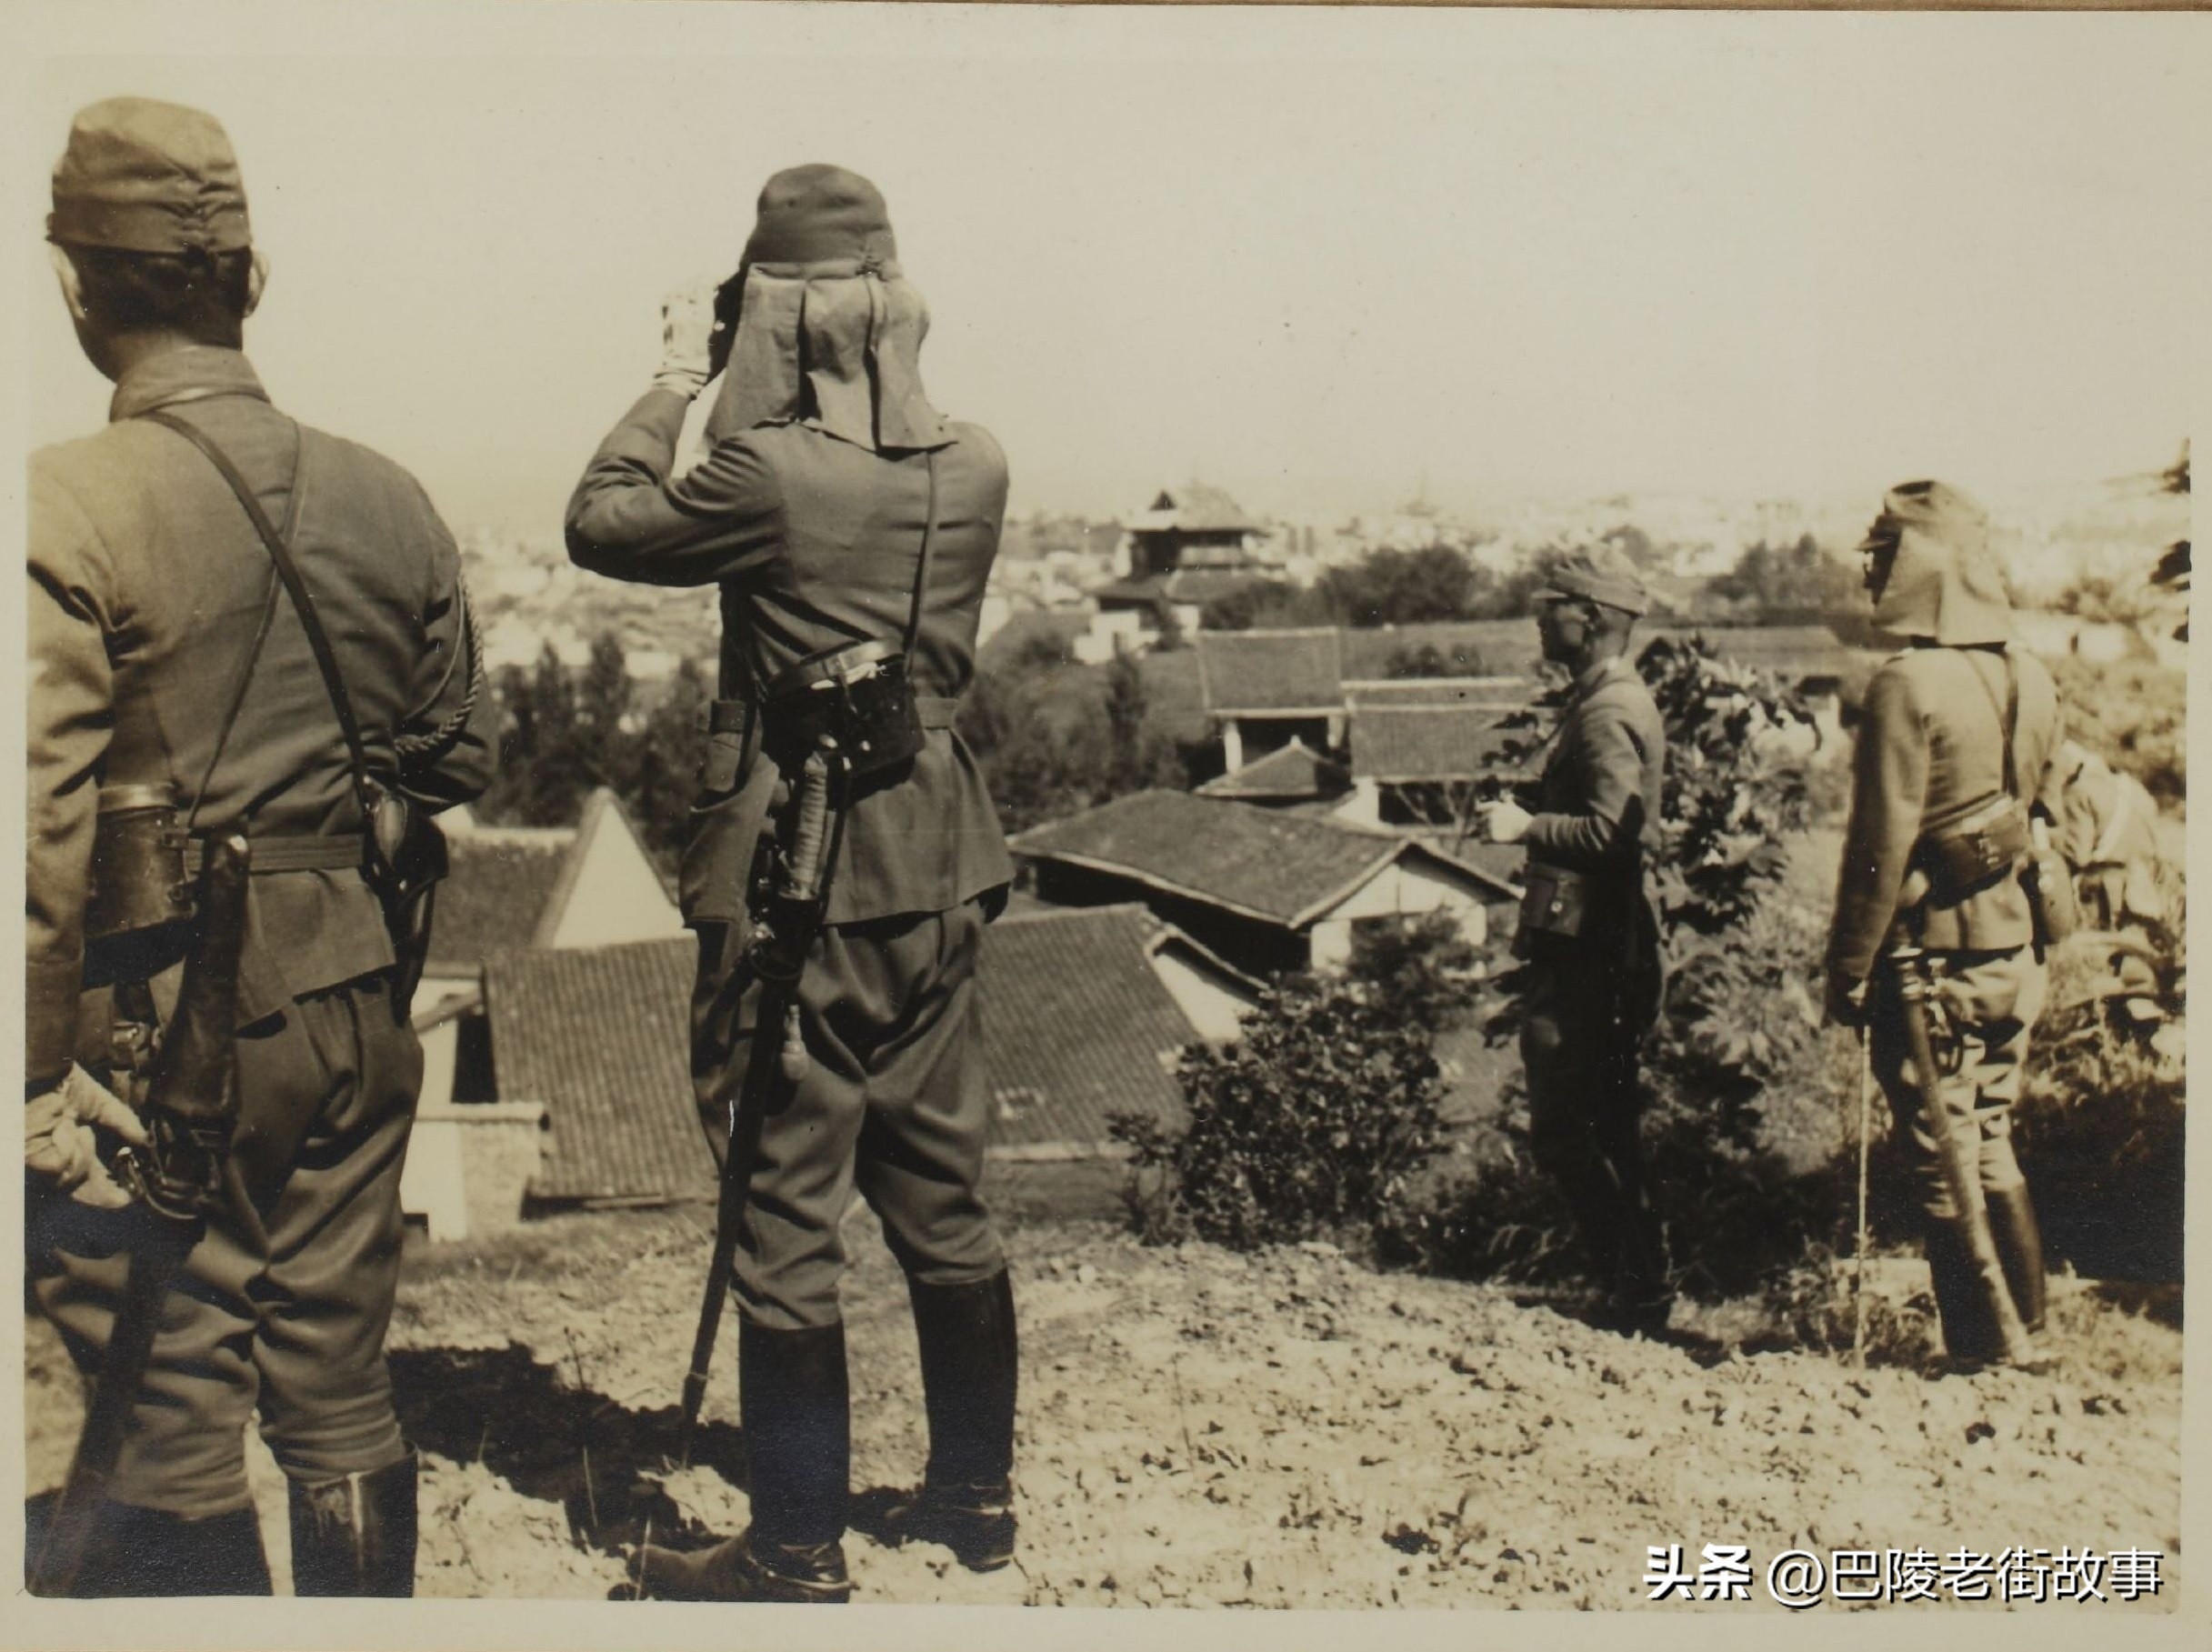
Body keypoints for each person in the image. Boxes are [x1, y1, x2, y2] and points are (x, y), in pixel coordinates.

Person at [25, 97, 494, 1595]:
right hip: (358, 995)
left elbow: (32, 836)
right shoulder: (389, 495)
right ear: (254, 277)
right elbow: (457, 755)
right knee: (336, 1380)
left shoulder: (60, 505)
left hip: (153, 1032)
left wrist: (32, 1081)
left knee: (167, 1413)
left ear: (72, 283)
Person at [566, 164, 1018, 1604]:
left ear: (778, 317)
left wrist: (673, 378)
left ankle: (794, 1548)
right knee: (941, 1192)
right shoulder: (977, 462)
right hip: (939, 865)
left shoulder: (764, 476)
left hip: (799, 872)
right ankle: (973, 1500)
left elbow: (600, 519)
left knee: (782, 1207)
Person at [1824, 480, 2059, 1369]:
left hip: (1935, 966)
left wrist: (1848, 968)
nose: (1870, 567)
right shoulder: (2031, 674)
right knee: (1990, 1139)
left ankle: (1982, 1352)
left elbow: (1879, 848)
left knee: (1940, 1158)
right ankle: (2027, 1338)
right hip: (2017, 954)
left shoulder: (1907, 683)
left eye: (1883, 553)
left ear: (1921, 569)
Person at [1478, 546, 1672, 1336]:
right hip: (1595, 941)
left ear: (1588, 618)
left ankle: (1634, 1290)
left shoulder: (1607, 709)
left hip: (1592, 946)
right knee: (1602, 1120)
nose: (1536, 613)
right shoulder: (1602, 698)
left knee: (1566, 1124)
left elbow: (1614, 832)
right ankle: (1638, 1292)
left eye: (1550, 601)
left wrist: (1527, 825)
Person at [2045, 738, 2166, 932]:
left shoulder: (2079, 792)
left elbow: (2077, 855)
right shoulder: (2133, 787)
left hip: (2104, 890)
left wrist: (2044, 838)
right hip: (2145, 884)